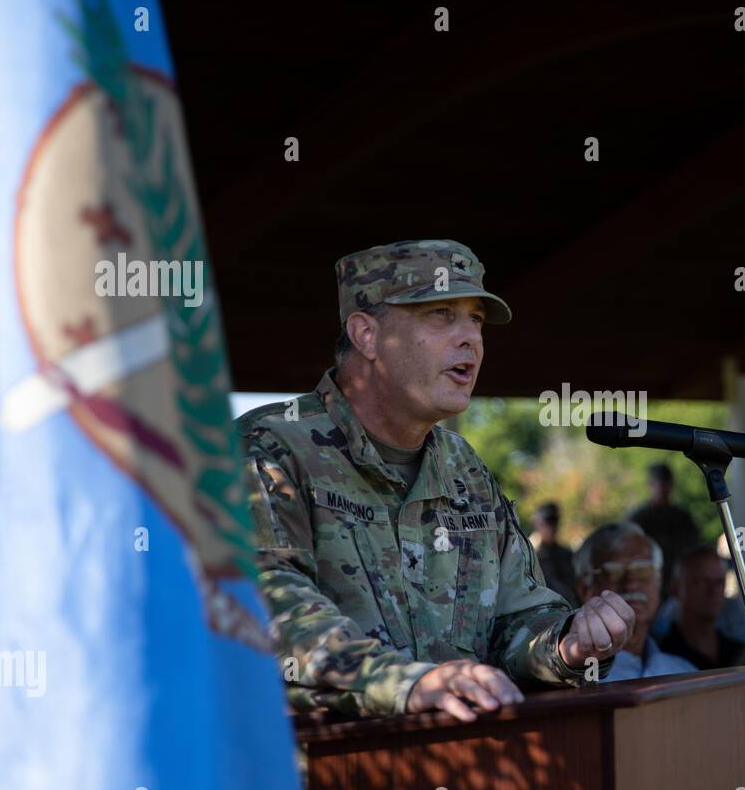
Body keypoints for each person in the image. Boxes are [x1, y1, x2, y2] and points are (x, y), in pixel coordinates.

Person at [238, 239, 634, 720]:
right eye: (442, 314)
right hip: (315, 781)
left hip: (458, 766)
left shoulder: (464, 467)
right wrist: (407, 683)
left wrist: (566, 644)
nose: (471, 338)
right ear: (367, 336)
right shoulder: (269, 447)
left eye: (476, 320)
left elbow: (517, 619)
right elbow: (269, 614)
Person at [574, 523, 695, 682]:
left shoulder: (684, 673)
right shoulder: (574, 680)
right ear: (584, 588)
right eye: (614, 571)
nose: (632, 583)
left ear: (659, 581)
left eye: (643, 569)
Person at [659, 543, 745, 670]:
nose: (713, 590)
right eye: (700, 581)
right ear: (676, 588)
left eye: (719, 582)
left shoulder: (739, 653)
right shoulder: (661, 655)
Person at [629, 463, 700, 598]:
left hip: (679, 584)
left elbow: (693, 550)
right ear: (650, 486)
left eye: (666, 485)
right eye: (659, 485)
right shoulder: (639, 519)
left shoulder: (683, 518)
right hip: (648, 583)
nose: (663, 489)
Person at [531, 502, 579, 607]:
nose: (551, 528)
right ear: (537, 525)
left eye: (554, 522)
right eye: (547, 523)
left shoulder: (568, 556)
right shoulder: (530, 558)